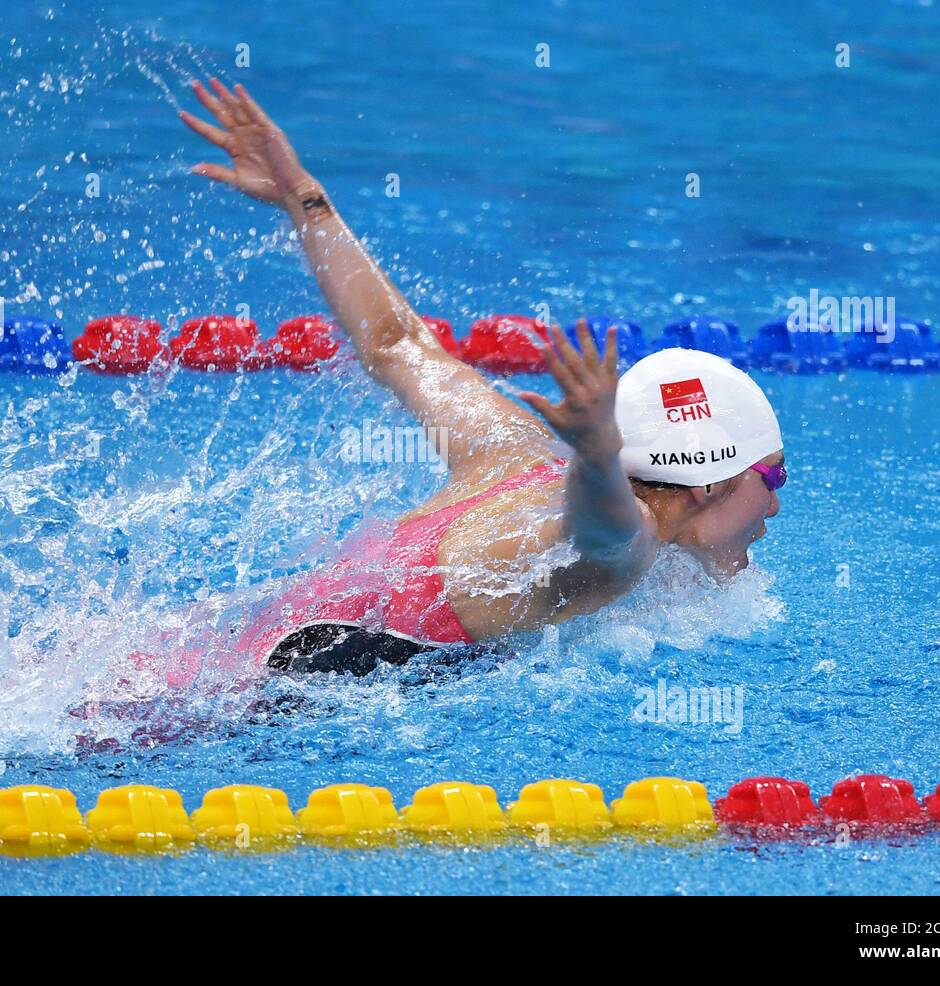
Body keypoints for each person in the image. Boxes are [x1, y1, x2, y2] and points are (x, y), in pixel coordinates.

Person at [172, 79, 785, 680]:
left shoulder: (511, 450)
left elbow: (398, 345)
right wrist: (596, 454)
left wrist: (307, 198)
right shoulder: (628, 552)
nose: (777, 504)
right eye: (772, 475)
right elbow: (602, 529)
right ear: (709, 484)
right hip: (260, 690)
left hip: (210, 647)